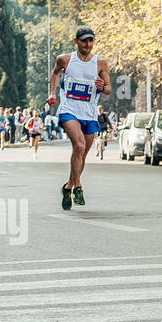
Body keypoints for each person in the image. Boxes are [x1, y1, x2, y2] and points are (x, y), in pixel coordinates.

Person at [48, 27, 111, 210]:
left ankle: (68, 187)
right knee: (79, 145)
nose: (88, 44)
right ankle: (78, 187)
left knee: (81, 154)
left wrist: (102, 86)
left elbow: (108, 89)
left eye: (91, 41)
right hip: (69, 109)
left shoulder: (100, 63)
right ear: (76, 41)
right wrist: (52, 93)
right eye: (84, 41)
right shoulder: (65, 59)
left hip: (89, 113)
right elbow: (54, 73)